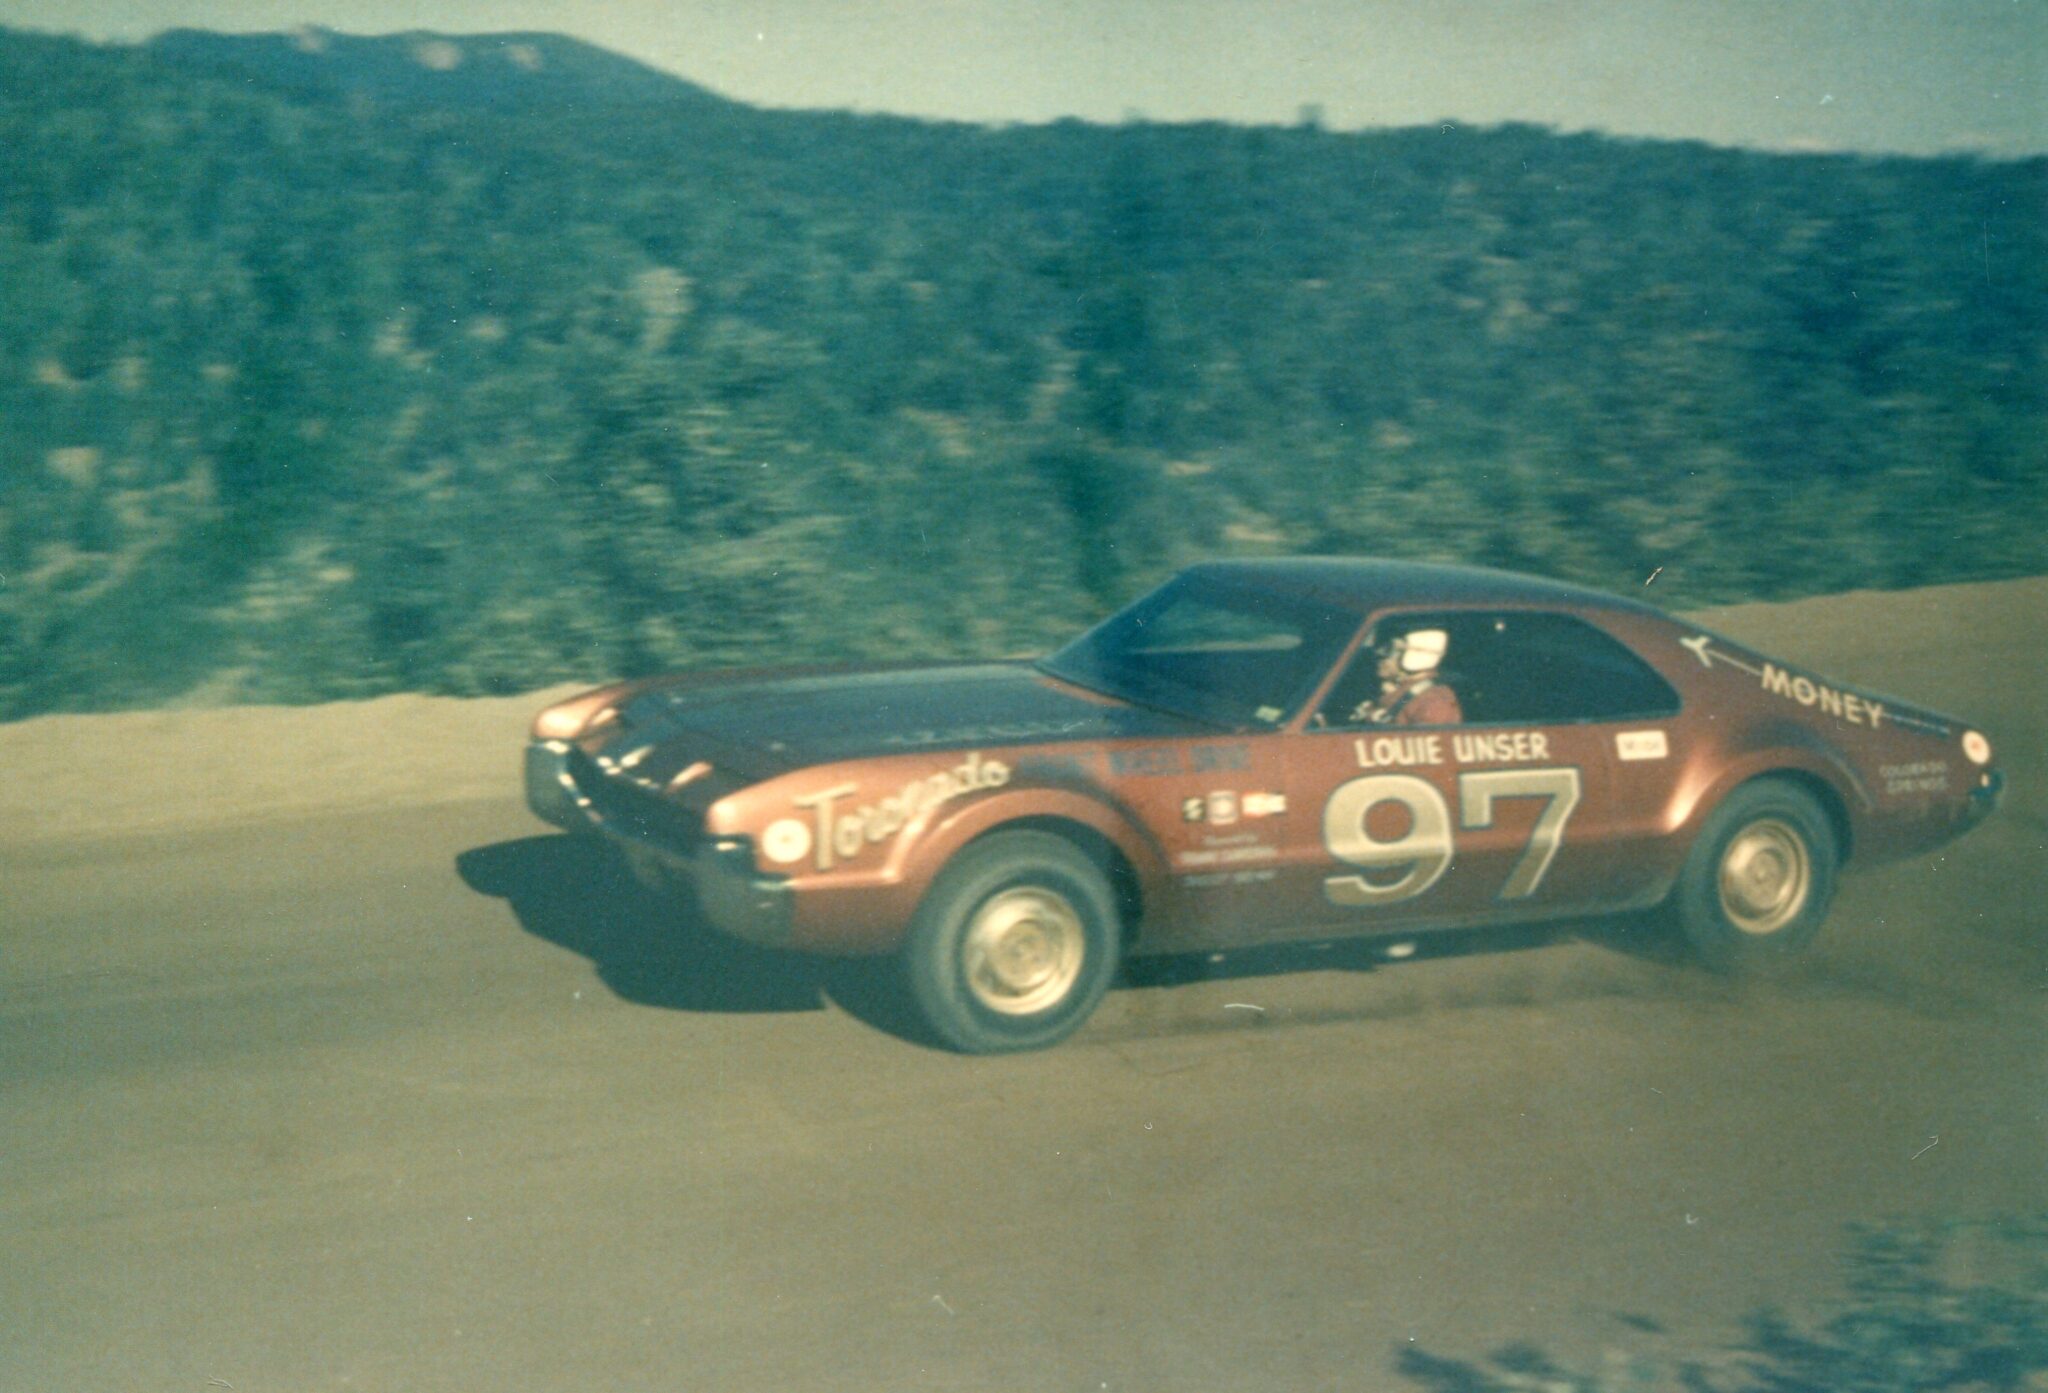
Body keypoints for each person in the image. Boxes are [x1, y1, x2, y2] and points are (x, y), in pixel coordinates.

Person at [1351, 628, 1462, 726]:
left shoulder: (1433, 701)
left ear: (1413, 656)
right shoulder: (1395, 689)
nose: (1379, 653)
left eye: (1388, 649)